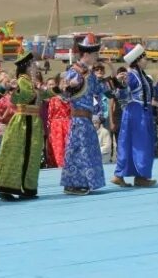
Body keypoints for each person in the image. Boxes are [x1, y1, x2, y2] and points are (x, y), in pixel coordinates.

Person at [0, 52, 45, 200]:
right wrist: (36, 89)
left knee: (31, 155)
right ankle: (7, 188)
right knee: (15, 154)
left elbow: (44, 95)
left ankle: (27, 187)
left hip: (33, 122)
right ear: (27, 67)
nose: (35, 67)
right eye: (33, 64)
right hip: (23, 122)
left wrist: (55, 90)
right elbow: (19, 97)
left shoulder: (33, 82)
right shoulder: (22, 81)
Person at [60, 34, 110, 196]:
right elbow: (64, 94)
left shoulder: (90, 73)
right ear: (86, 54)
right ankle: (74, 184)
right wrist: (71, 86)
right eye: (95, 54)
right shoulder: (74, 72)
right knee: (78, 151)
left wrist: (116, 79)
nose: (97, 57)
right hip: (78, 118)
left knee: (86, 150)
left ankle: (83, 183)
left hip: (87, 119)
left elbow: (101, 89)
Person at [111, 45, 158, 188]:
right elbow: (123, 94)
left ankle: (127, 175)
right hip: (136, 113)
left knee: (132, 143)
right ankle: (140, 176)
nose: (147, 60)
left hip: (141, 112)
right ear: (138, 60)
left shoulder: (141, 75)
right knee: (140, 144)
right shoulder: (132, 75)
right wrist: (120, 83)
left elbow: (151, 92)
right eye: (145, 58)